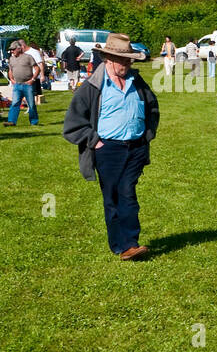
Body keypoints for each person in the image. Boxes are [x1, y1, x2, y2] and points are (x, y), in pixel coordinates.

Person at [62, 32, 160, 261]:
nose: (127, 64)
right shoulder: (92, 86)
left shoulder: (138, 82)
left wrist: (147, 135)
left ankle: (130, 243)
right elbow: (73, 123)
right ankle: (120, 244)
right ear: (108, 58)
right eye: (123, 60)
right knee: (112, 197)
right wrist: (94, 141)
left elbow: (152, 108)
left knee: (127, 192)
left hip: (136, 148)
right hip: (108, 150)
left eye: (129, 60)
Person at [4, 42, 38, 125]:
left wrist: (32, 79)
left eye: (13, 49)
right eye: (11, 50)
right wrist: (11, 79)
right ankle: (11, 121)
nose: (12, 51)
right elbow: (10, 70)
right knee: (14, 103)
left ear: (19, 48)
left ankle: (34, 122)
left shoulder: (28, 57)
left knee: (31, 104)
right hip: (17, 85)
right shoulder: (11, 59)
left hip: (28, 84)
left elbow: (37, 68)